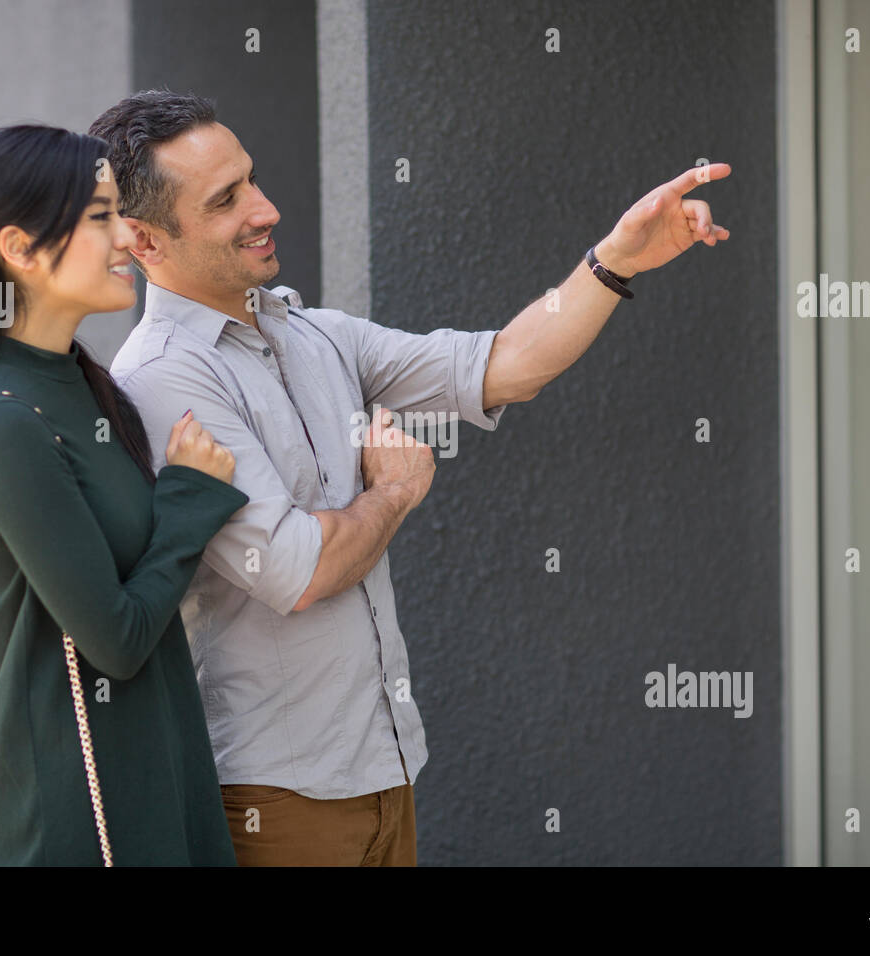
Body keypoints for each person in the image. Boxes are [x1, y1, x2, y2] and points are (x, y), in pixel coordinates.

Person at [88, 90, 730, 866]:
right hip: (274, 799)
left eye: (251, 180)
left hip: (386, 773)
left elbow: (505, 365)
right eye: (226, 200)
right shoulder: (164, 377)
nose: (266, 208)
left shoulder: (313, 333)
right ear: (146, 241)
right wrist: (393, 492)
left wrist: (614, 260)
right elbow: (298, 568)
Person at [0, 124, 248, 865]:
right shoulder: (5, 421)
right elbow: (117, 638)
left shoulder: (80, 384)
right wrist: (190, 500)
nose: (127, 239)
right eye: (100, 217)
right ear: (20, 249)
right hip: (64, 816)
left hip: (144, 774)